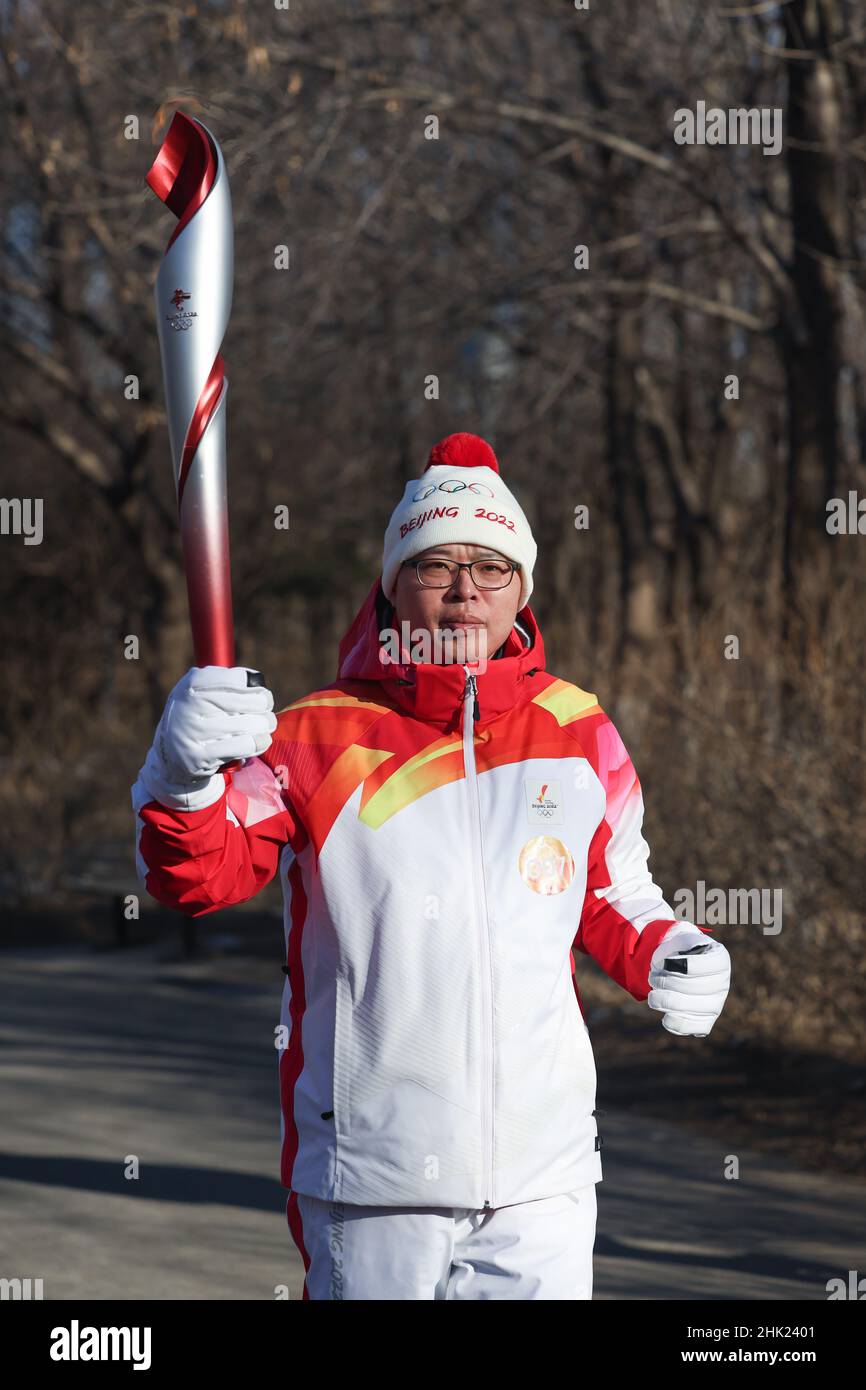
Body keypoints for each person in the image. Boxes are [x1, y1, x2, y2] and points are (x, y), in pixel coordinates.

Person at [131, 431, 731, 1300]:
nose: (462, 591)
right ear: (393, 585)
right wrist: (182, 781)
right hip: (373, 1172)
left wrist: (673, 949)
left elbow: (609, 891)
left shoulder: (580, 731)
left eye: (489, 567)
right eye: (434, 565)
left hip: (545, 1171)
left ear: (521, 587)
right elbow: (199, 877)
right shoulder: (313, 735)